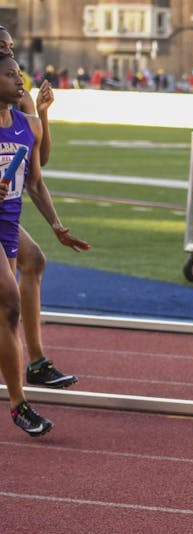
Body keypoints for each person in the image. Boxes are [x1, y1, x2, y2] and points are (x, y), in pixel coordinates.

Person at [0, 52, 88, 436]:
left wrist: (57, 225)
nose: (19, 80)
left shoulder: (28, 125)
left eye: (19, 73)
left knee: (24, 278)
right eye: (10, 74)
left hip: (8, 224)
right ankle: (18, 404)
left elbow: (35, 181)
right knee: (8, 303)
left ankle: (33, 365)